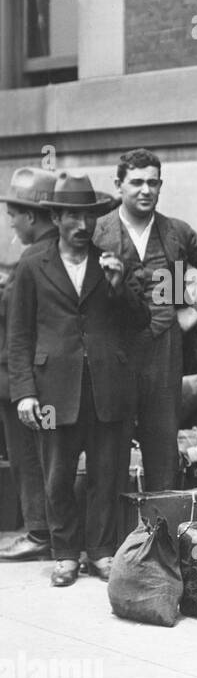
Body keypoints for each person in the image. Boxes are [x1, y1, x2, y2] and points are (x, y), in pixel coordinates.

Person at [7, 173, 151, 586]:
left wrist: (120, 286)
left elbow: (140, 321)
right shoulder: (34, 264)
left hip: (107, 388)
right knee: (56, 473)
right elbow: (19, 335)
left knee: (107, 472)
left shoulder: (112, 260)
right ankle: (65, 553)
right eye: (72, 216)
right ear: (56, 217)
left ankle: (102, 552)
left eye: (88, 217)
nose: (82, 226)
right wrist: (24, 393)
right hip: (52, 390)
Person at [93, 148, 197, 492]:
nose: (145, 190)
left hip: (163, 348)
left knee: (161, 444)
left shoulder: (176, 232)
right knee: (110, 446)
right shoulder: (98, 231)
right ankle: (112, 539)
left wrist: (193, 313)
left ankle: (162, 534)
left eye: (153, 183)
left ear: (161, 186)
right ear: (119, 185)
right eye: (137, 182)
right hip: (114, 351)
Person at [0, 168, 58, 562]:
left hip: (22, 380)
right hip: (43, 378)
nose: (10, 221)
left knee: (29, 456)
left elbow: (20, 323)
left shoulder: (31, 257)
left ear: (33, 216)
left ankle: (39, 532)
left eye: (15, 214)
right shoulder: (53, 251)